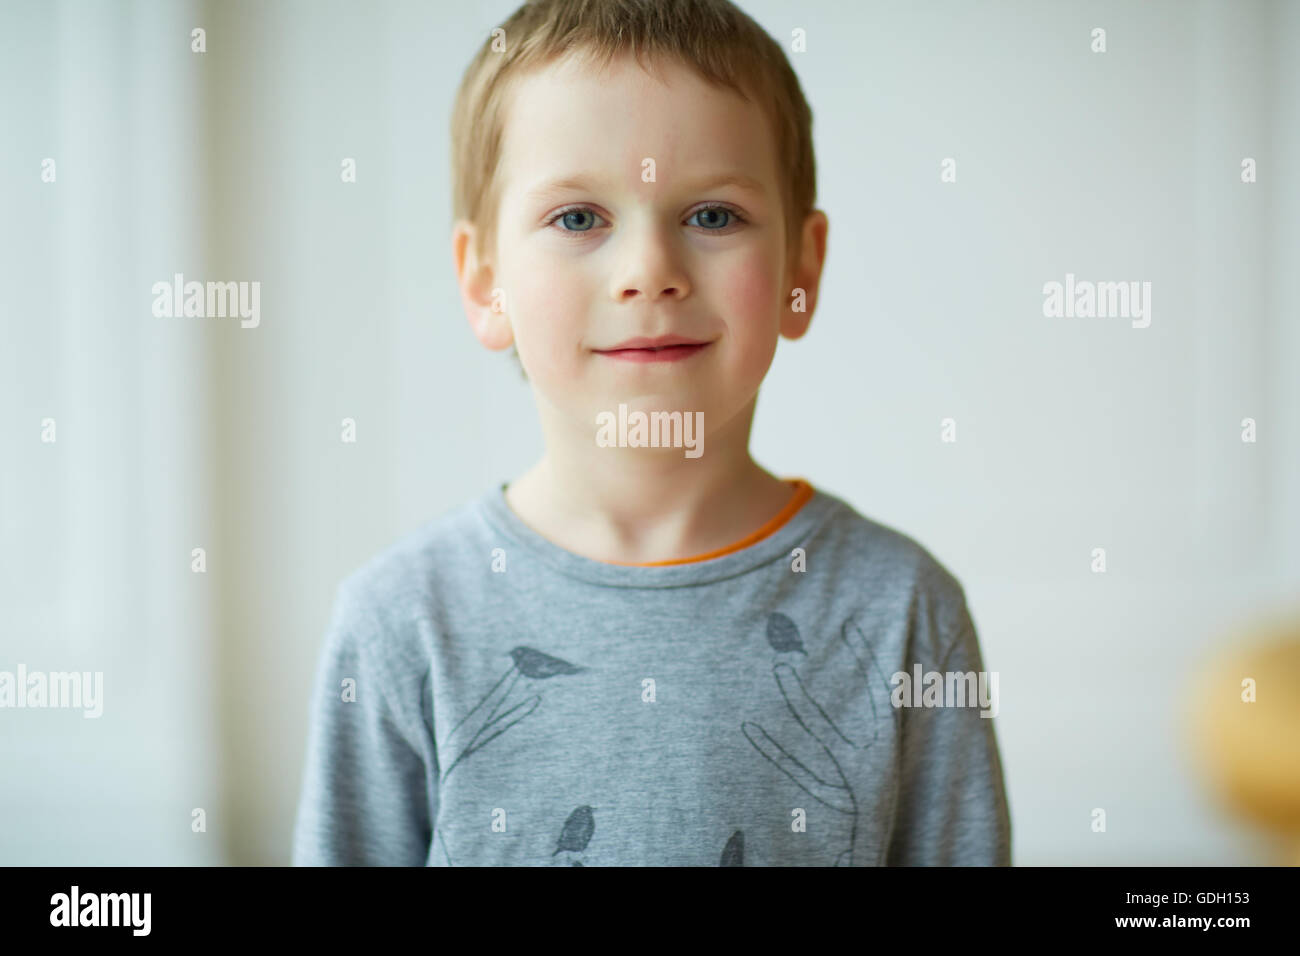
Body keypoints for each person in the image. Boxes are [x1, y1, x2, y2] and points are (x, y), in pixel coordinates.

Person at [291, 0, 1011, 866]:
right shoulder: (400, 623)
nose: (648, 273)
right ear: (487, 283)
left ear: (801, 271)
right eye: (578, 218)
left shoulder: (903, 612)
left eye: (711, 215)